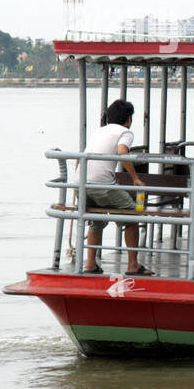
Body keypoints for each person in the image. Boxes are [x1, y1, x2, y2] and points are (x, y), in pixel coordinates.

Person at [81, 99, 150, 276]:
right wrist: (135, 178)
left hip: (80, 183)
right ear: (128, 119)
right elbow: (122, 152)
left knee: (96, 220)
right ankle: (133, 265)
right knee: (132, 217)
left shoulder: (99, 131)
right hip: (101, 183)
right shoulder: (125, 132)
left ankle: (90, 264)